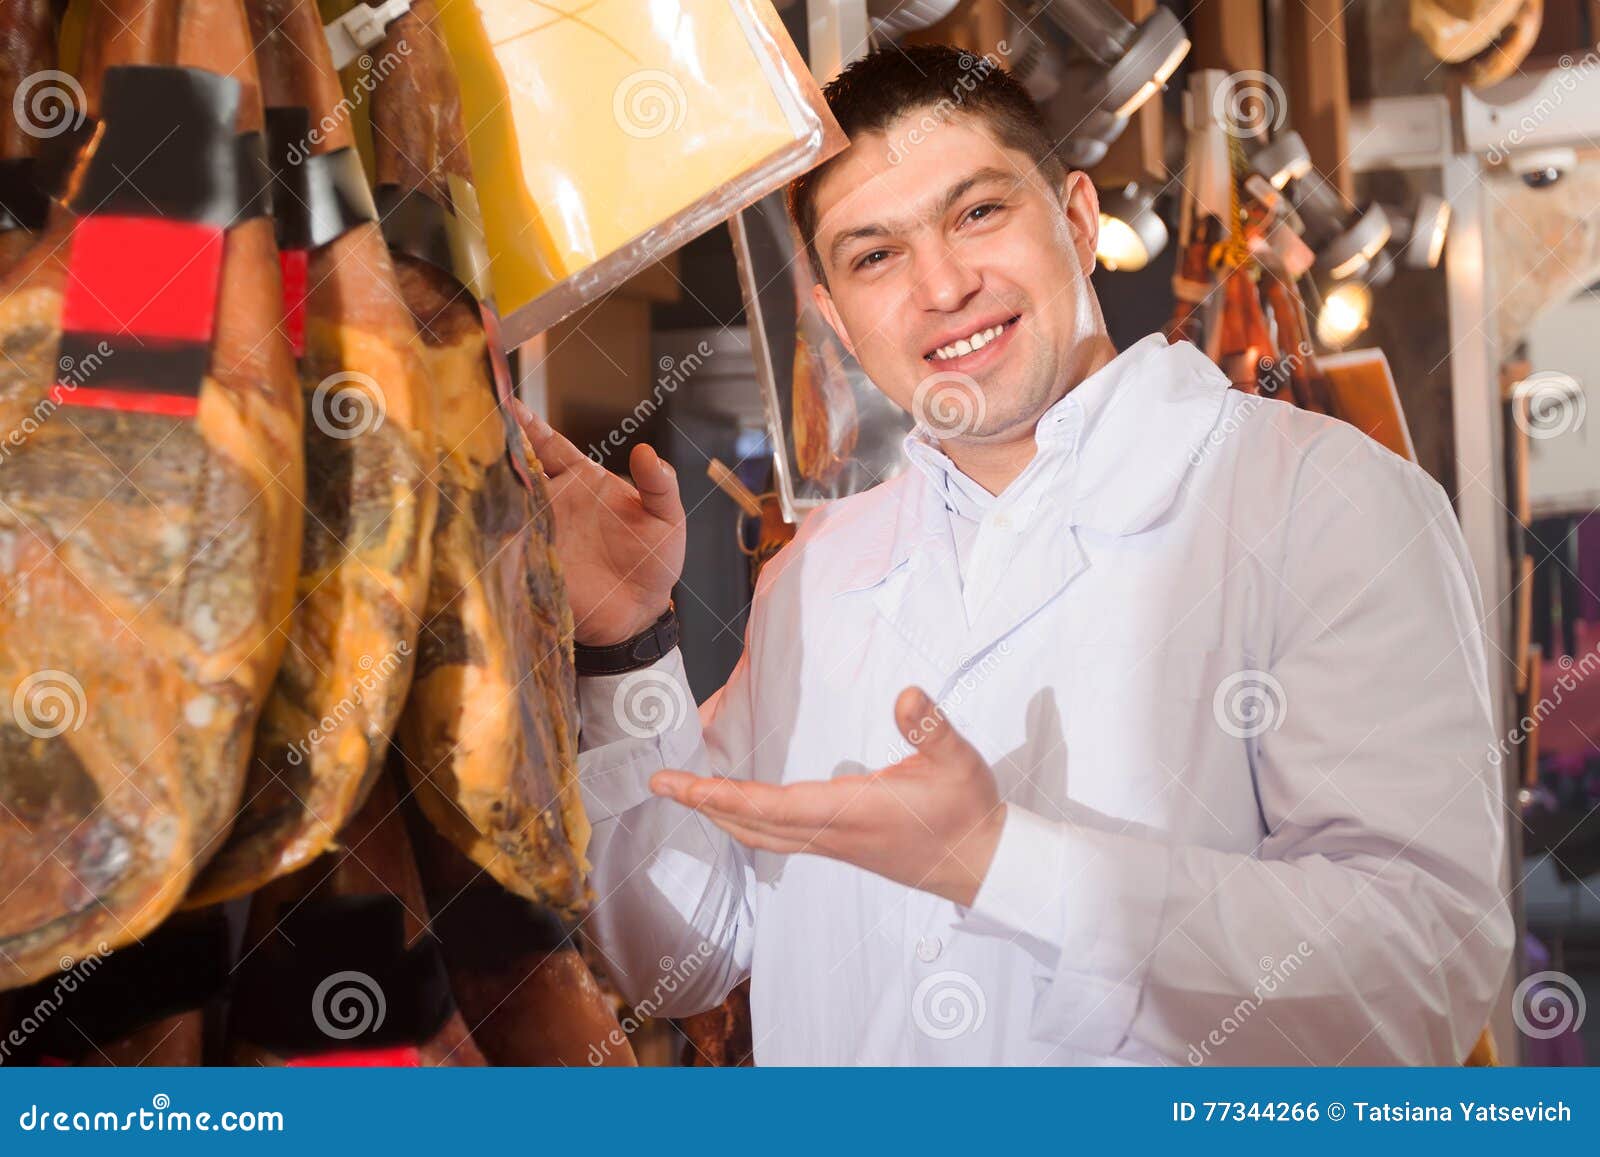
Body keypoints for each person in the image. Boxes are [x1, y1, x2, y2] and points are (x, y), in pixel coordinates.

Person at [515, 45, 1513, 1065]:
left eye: (977, 213)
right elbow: (677, 957)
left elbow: (1417, 976)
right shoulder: (816, 573)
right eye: (873, 255)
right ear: (832, 316)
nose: (942, 285)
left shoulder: (1315, 498)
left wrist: (1003, 862)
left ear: (1076, 220)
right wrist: (631, 647)